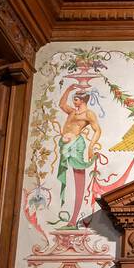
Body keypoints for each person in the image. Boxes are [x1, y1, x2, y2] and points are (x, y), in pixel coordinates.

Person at [56, 83, 101, 227]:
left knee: (78, 179)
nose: (73, 101)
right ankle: (72, 218)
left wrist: (91, 147)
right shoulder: (72, 112)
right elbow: (61, 104)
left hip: (76, 145)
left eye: (75, 99)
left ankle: (74, 219)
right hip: (65, 146)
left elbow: (97, 130)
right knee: (66, 177)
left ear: (82, 100)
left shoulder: (88, 114)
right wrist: (68, 90)